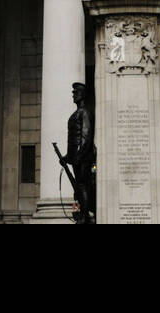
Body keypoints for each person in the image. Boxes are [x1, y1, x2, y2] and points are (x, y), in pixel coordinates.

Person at [60, 82, 95, 223]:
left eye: (76, 93)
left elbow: (86, 138)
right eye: (73, 93)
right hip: (77, 158)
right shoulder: (77, 113)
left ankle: (84, 216)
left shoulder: (85, 112)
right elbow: (75, 140)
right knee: (80, 187)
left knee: (82, 186)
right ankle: (83, 215)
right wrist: (67, 157)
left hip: (82, 158)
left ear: (82, 95)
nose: (73, 95)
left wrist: (78, 158)